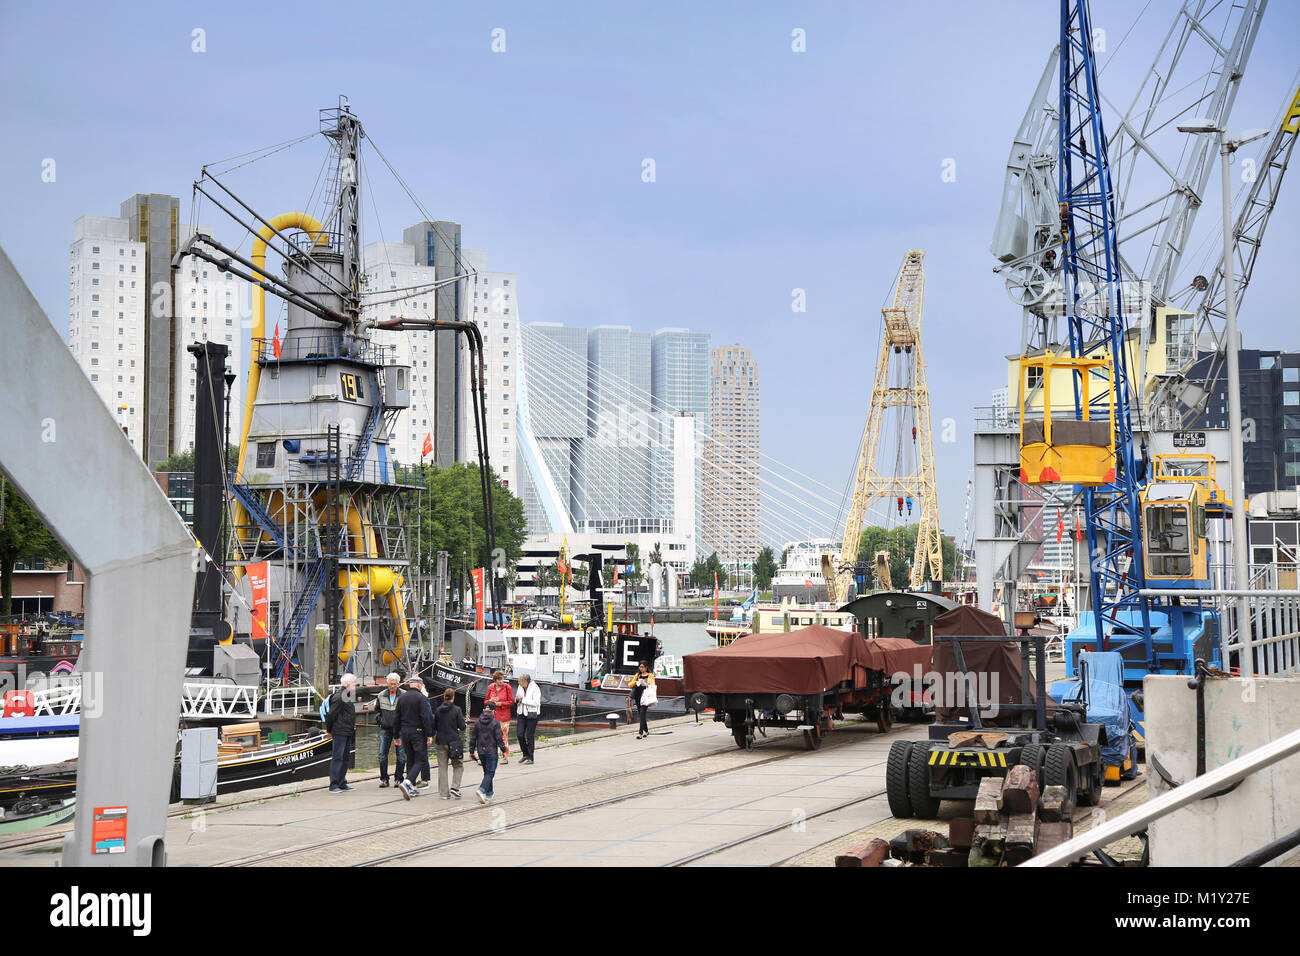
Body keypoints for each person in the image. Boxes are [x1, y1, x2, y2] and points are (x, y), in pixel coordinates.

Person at [394, 676, 435, 799]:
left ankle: (410, 787)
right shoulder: (421, 698)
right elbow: (425, 717)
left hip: (405, 732)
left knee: (410, 759)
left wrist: (396, 735)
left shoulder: (401, 698)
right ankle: (407, 782)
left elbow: (396, 718)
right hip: (417, 732)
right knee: (420, 759)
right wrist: (429, 734)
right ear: (419, 685)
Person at [325, 672, 358, 792]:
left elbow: (348, 714)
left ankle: (342, 781)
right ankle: (334, 784)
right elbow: (331, 715)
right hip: (340, 731)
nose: (355, 685)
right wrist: (329, 730)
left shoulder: (348, 695)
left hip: (348, 730)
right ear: (348, 684)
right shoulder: (339, 697)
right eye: (354, 683)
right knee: (337, 757)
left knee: (345, 758)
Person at [433, 688, 467, 799]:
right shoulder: (457, 710)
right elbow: (462, 727)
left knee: (442, 768)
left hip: (440, 741)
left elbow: (434, 726)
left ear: (444, 697)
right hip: (454, 742)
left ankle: (444, 793)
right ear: (453, 697)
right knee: (458, 765)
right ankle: (455, 787)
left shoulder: (438, 710)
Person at [470, 705, 506, 803]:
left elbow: (473, 737)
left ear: (484, 710)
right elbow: (499, 738)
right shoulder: (495, 723)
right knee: (490, 772)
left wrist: (471, 751)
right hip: (491, 751)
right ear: (494, 711)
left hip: (481, 751)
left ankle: (489, 793)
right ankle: (481, 789)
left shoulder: (477, 722)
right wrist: (504, 751)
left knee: (487, 773)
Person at [373, 672, 404, 788]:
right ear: (387, 684)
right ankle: (384, 779)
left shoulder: (403, 696)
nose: (392, 686)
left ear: (398, 684)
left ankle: (399, 778)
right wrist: (380, 721)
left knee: (401, 755)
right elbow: (377, 711)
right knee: (382, 754)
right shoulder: (381, 695)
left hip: (400, 730)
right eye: (391, 684)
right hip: (385, 728)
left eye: (395, 684)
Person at [484, 670, 515, 763]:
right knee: (491, 737)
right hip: (492, 716)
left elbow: (511, 702)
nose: (502, 681)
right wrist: (490, 700)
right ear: (495, 680)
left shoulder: (507, 687)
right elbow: (485, 701)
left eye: (503, 679)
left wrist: (500, 703)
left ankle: (505, 756)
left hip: (504, 716)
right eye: (499, 680)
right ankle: (492, 756)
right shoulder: (490, 687)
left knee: (503, 736)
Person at [515, 674, 542, 765]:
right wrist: (517, 699)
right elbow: (518, 697)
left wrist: (523, 699)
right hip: (521, 713)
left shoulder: (535, 688)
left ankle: (531, 757)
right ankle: (525, 754)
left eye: (520, 682)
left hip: (532, 714)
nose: (519, 684)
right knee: (519, 734)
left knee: (530, 736)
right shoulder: (520, 686)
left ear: (525, 682)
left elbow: (536, 702)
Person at [631, 661, 656, 740]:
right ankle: (646, 731)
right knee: (641, 714)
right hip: (638, 697)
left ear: (646, 667)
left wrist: (644, 683)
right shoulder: (637, 675)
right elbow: (630, 684)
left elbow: (652, 685)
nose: (641, 668)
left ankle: (640, 733)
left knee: (642, 714)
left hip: (645, 697)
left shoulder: (650, 675)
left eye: (642, 667)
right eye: (640, 667)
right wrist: (636, 682)